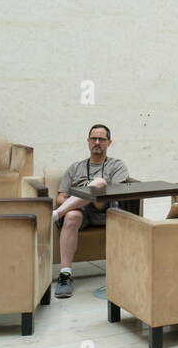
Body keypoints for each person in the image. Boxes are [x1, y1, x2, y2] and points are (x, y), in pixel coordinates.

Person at [52, 124, 130, 298]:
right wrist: (76, 204)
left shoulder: (117, 165)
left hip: (105, 209)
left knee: (100, 183)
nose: (97, 142)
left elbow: (115, 192)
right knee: (71, 215)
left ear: (109, 142)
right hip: (81, 212)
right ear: (87, 141)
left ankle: (56, 214)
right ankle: (65, 275)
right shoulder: (75, 168)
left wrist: (91, 190)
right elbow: (60, 197)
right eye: (93, 139)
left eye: (101, 139)